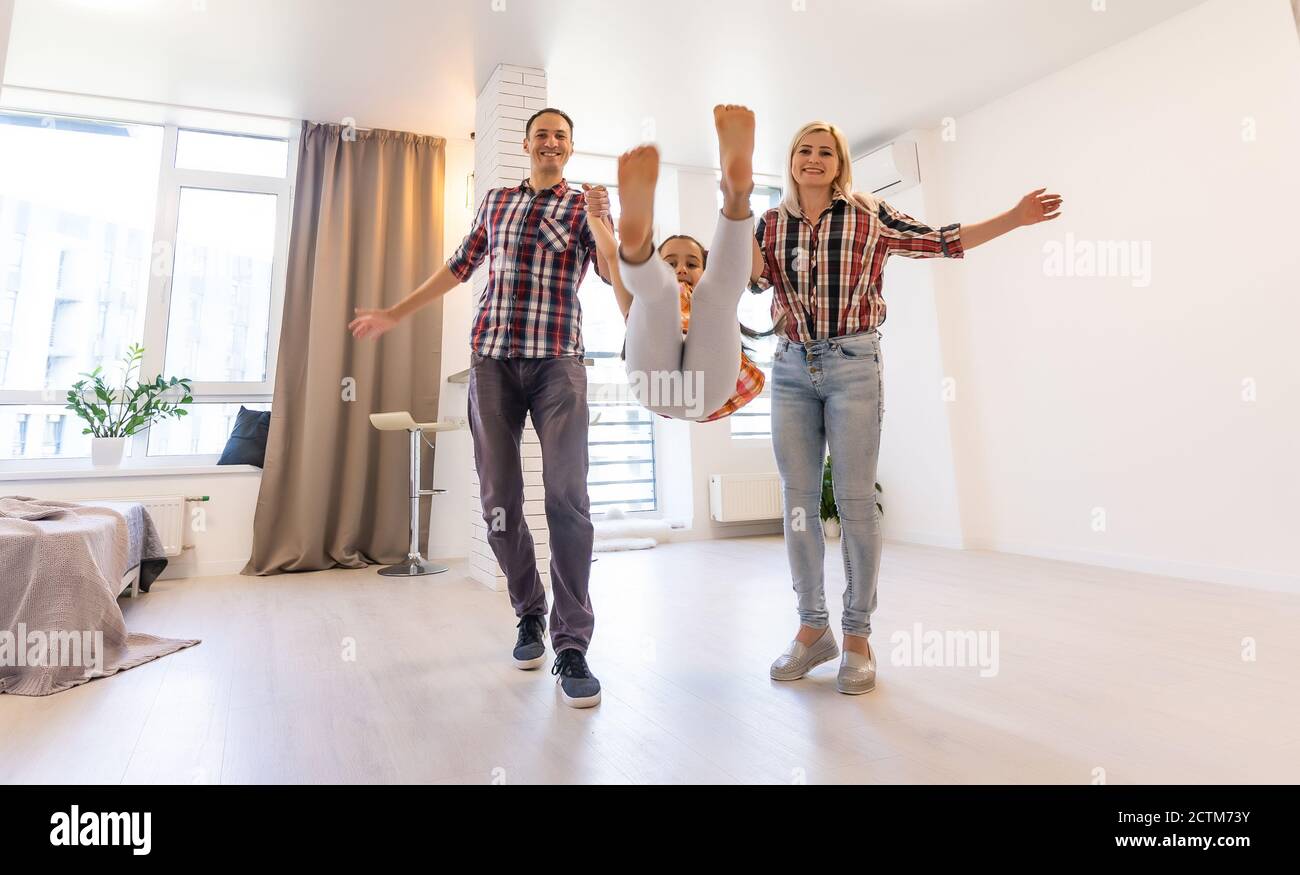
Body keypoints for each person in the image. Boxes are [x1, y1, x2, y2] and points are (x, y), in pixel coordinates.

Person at [755, 120, 1062, 694]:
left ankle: (857, 637)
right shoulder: (770, 224)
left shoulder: (869, 213)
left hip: (852, 365)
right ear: (791, 160)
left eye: (826, 152)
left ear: (840, 164)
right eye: (804, 150)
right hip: (791, 367)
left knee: (854, 504)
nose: (814, 159)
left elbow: (941, 240)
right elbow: (749, 281)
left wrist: (1014, 218)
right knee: (798, 504)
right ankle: (811, 628)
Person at [349, 107, 615, 709]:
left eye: (561, 136)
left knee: (567, 498)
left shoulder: (583, 207)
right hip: (492, 361)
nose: (551, 142)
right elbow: (458, 267)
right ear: (526, 143)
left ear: (571, 149)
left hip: (558, 363)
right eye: (542, 134)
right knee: (498, 501)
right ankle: (529, 610)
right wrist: (395, 312)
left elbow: (609, 270)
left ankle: (572, 643)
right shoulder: (496, 201)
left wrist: (603, 223)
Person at [584, 106, 767, 422]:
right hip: (696, 390)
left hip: (661, 385)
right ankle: (734, 200)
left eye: (692, 263)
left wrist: (595, 219)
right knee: (671, 294)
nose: (681, 269)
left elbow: (614, 256)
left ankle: (735, 196)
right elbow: (612, 254)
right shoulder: (650, 297)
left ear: (707, 266)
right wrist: (596, 218)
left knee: (707, 295)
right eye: (670, 262)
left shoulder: (702, 294)